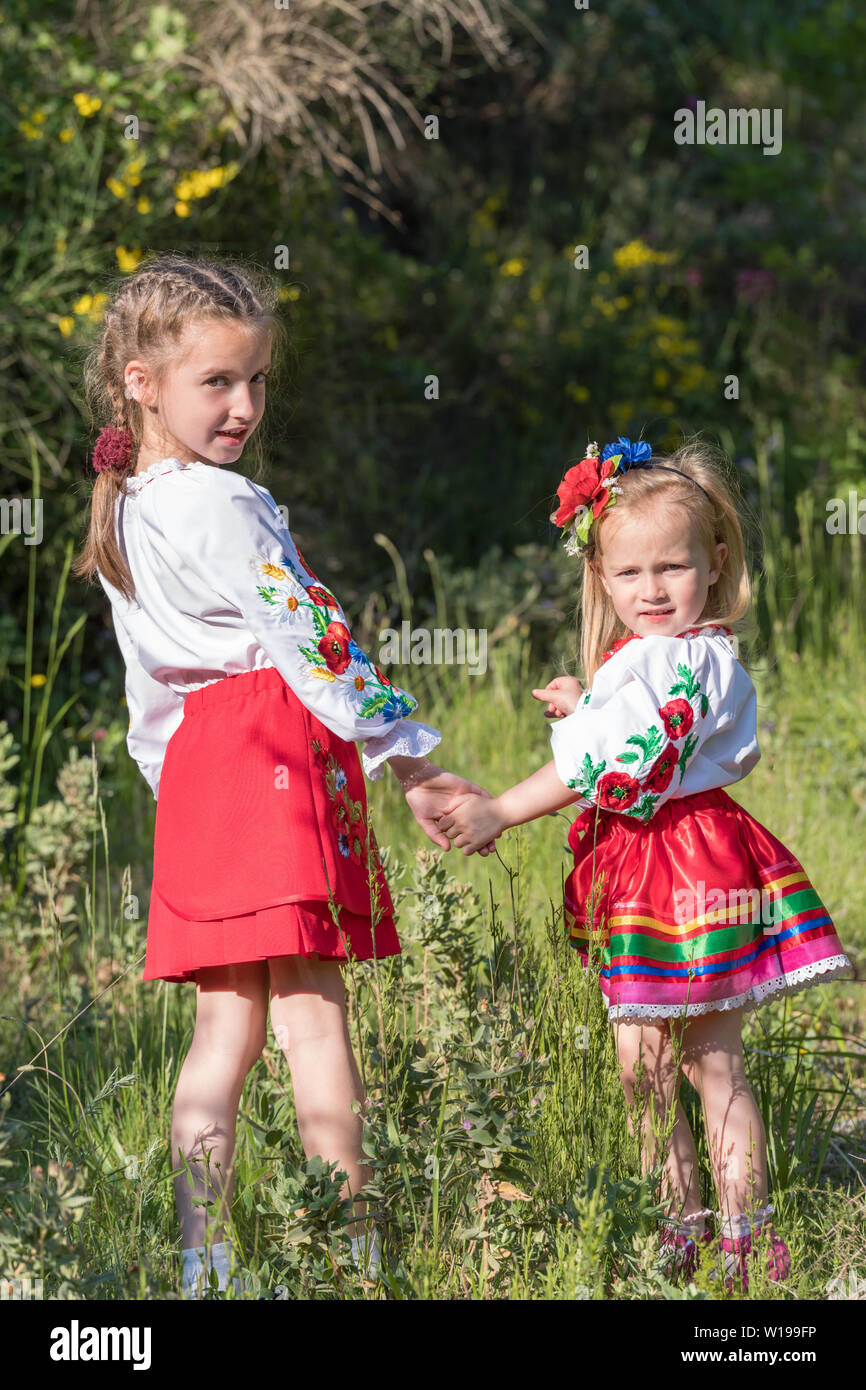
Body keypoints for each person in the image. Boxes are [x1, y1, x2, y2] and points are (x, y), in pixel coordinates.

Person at [73, 252, 495, 1298]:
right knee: (313, 1015)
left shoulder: (126, 507)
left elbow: (149, 695)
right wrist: (410, 758)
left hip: (202, 771)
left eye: (256, 381)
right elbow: (312, 637)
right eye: (217, 381)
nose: (243, 405)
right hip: (272, 747)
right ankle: (351, 1252)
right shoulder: (224, 502)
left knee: (223, 1029)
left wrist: (174, 794)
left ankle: (204, 1262)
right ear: (141, 379)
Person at [435, 434, 852, 1293]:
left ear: (716, 561)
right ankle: (689, 1227)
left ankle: (733, 1238)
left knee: (694, 1061)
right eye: (629, 575)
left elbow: (622, 767)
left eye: (673, 567)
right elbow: (638, 723)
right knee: (656, 1063)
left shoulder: (690, 652)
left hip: (685, 867)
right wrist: (586, 699)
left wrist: (503, 809)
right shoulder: (658, 654)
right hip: (669, 861)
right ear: (601, 578)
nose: (652, 590)